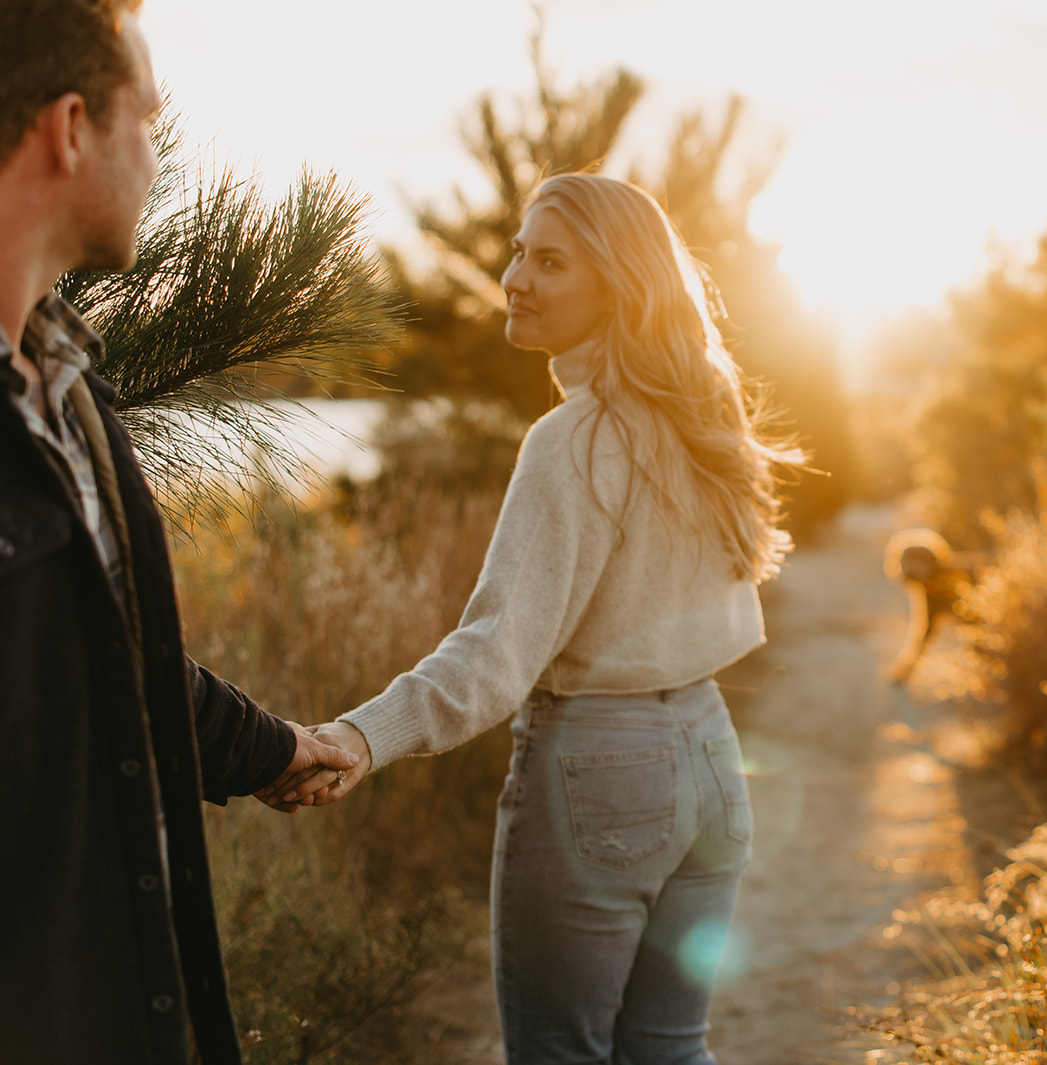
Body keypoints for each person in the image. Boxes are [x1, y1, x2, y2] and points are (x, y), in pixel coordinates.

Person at [274, 173, 803, 1063]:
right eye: (519, 251)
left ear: (620, 284)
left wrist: (363, 736)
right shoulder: (699, 423)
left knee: (562, 1054)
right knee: (671, 1050)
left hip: (598, 772)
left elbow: (495, 653)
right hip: (711, 758)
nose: (515, 277)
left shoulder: (572, 441)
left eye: (551, 260)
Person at [0, 3, 360, 1062]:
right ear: (71, 128)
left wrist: (281, 750)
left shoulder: (66, 394)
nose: (156, 159)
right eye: (145, 122)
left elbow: (119, 664)